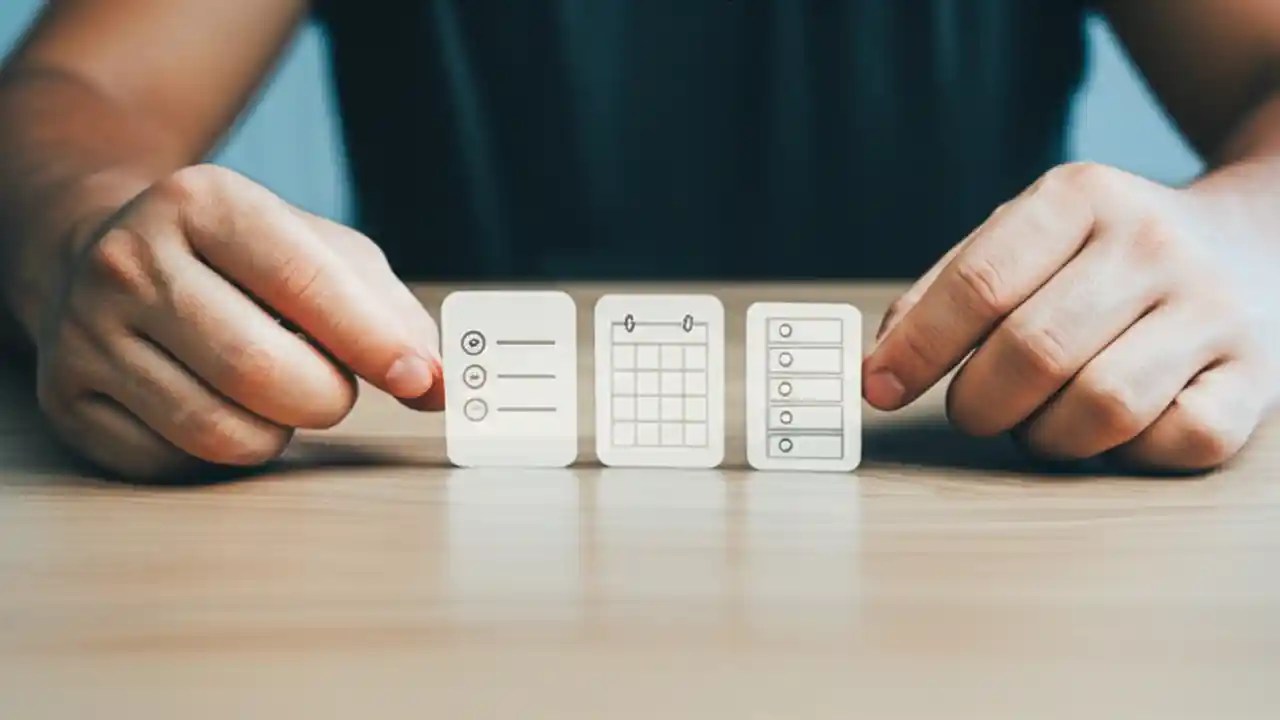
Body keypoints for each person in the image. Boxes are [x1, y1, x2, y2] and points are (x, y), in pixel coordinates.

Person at [0, 1, 1278, 479]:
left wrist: (1248, 227)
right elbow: (66, 102)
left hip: (976, 516)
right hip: (445, 542)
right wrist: (77, 232)